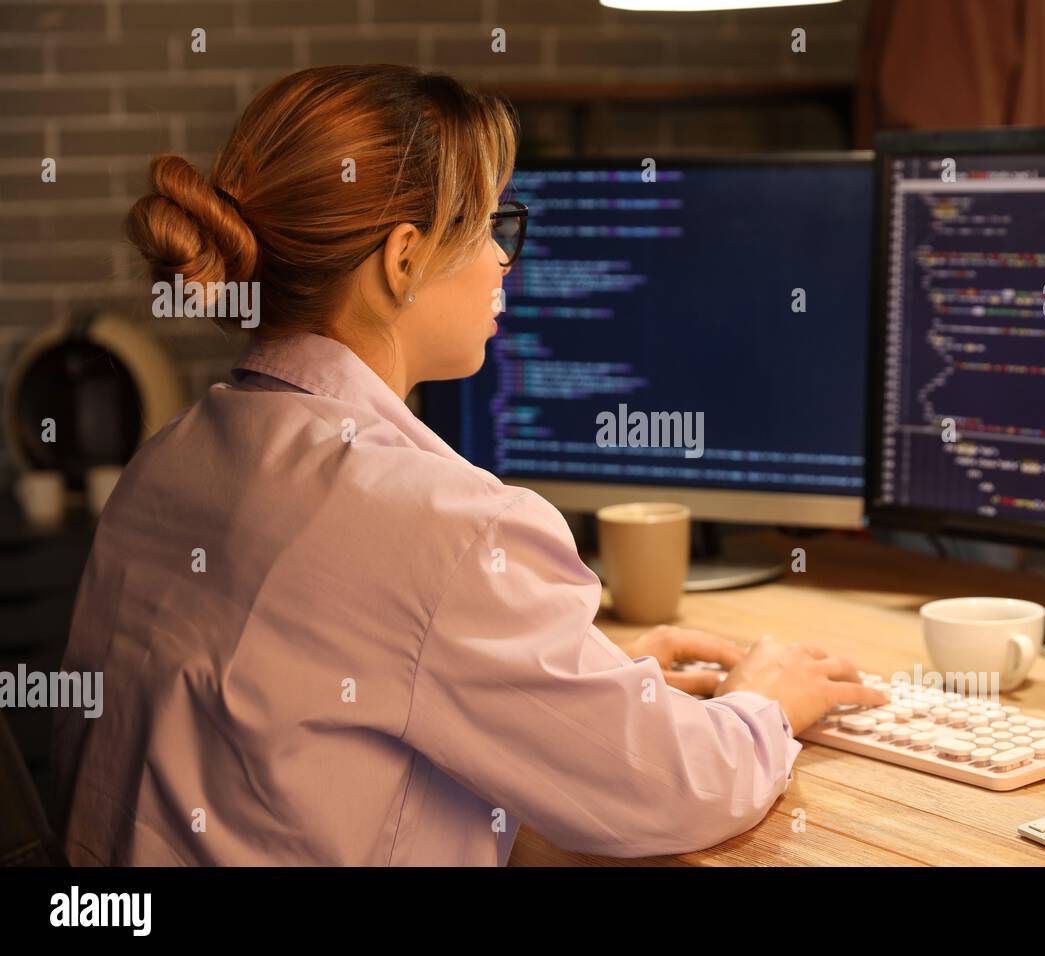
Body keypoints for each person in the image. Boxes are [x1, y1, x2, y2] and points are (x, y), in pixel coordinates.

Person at [51, 65, 884, 866]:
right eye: (491, 224)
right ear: (403, 258)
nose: (503, 260)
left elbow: (361, 657)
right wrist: (765, 699)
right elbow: (680, 789)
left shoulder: (171, 455)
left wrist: (589, 680)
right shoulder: (440, 526)